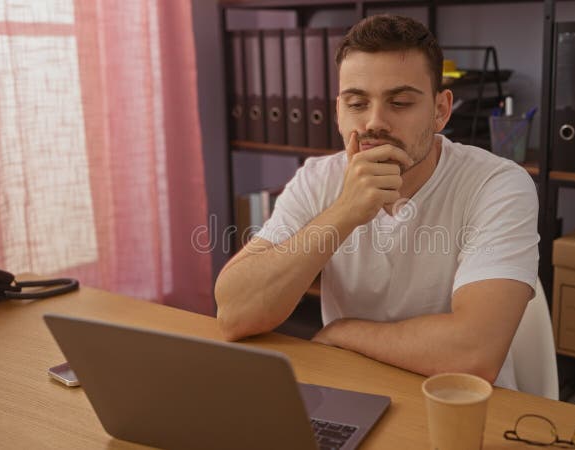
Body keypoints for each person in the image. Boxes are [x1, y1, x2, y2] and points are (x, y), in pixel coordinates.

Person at [214, 14, 539, 389]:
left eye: (399, 103)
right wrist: (346, 211)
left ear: (441, 110)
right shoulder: (317, 179)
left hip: (460, 406)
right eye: (356, 103)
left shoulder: (498, 184)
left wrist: (343, 332)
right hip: (352, 388)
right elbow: (234, 312)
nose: (374, 122)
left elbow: (473, 354)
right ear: (338, 112)